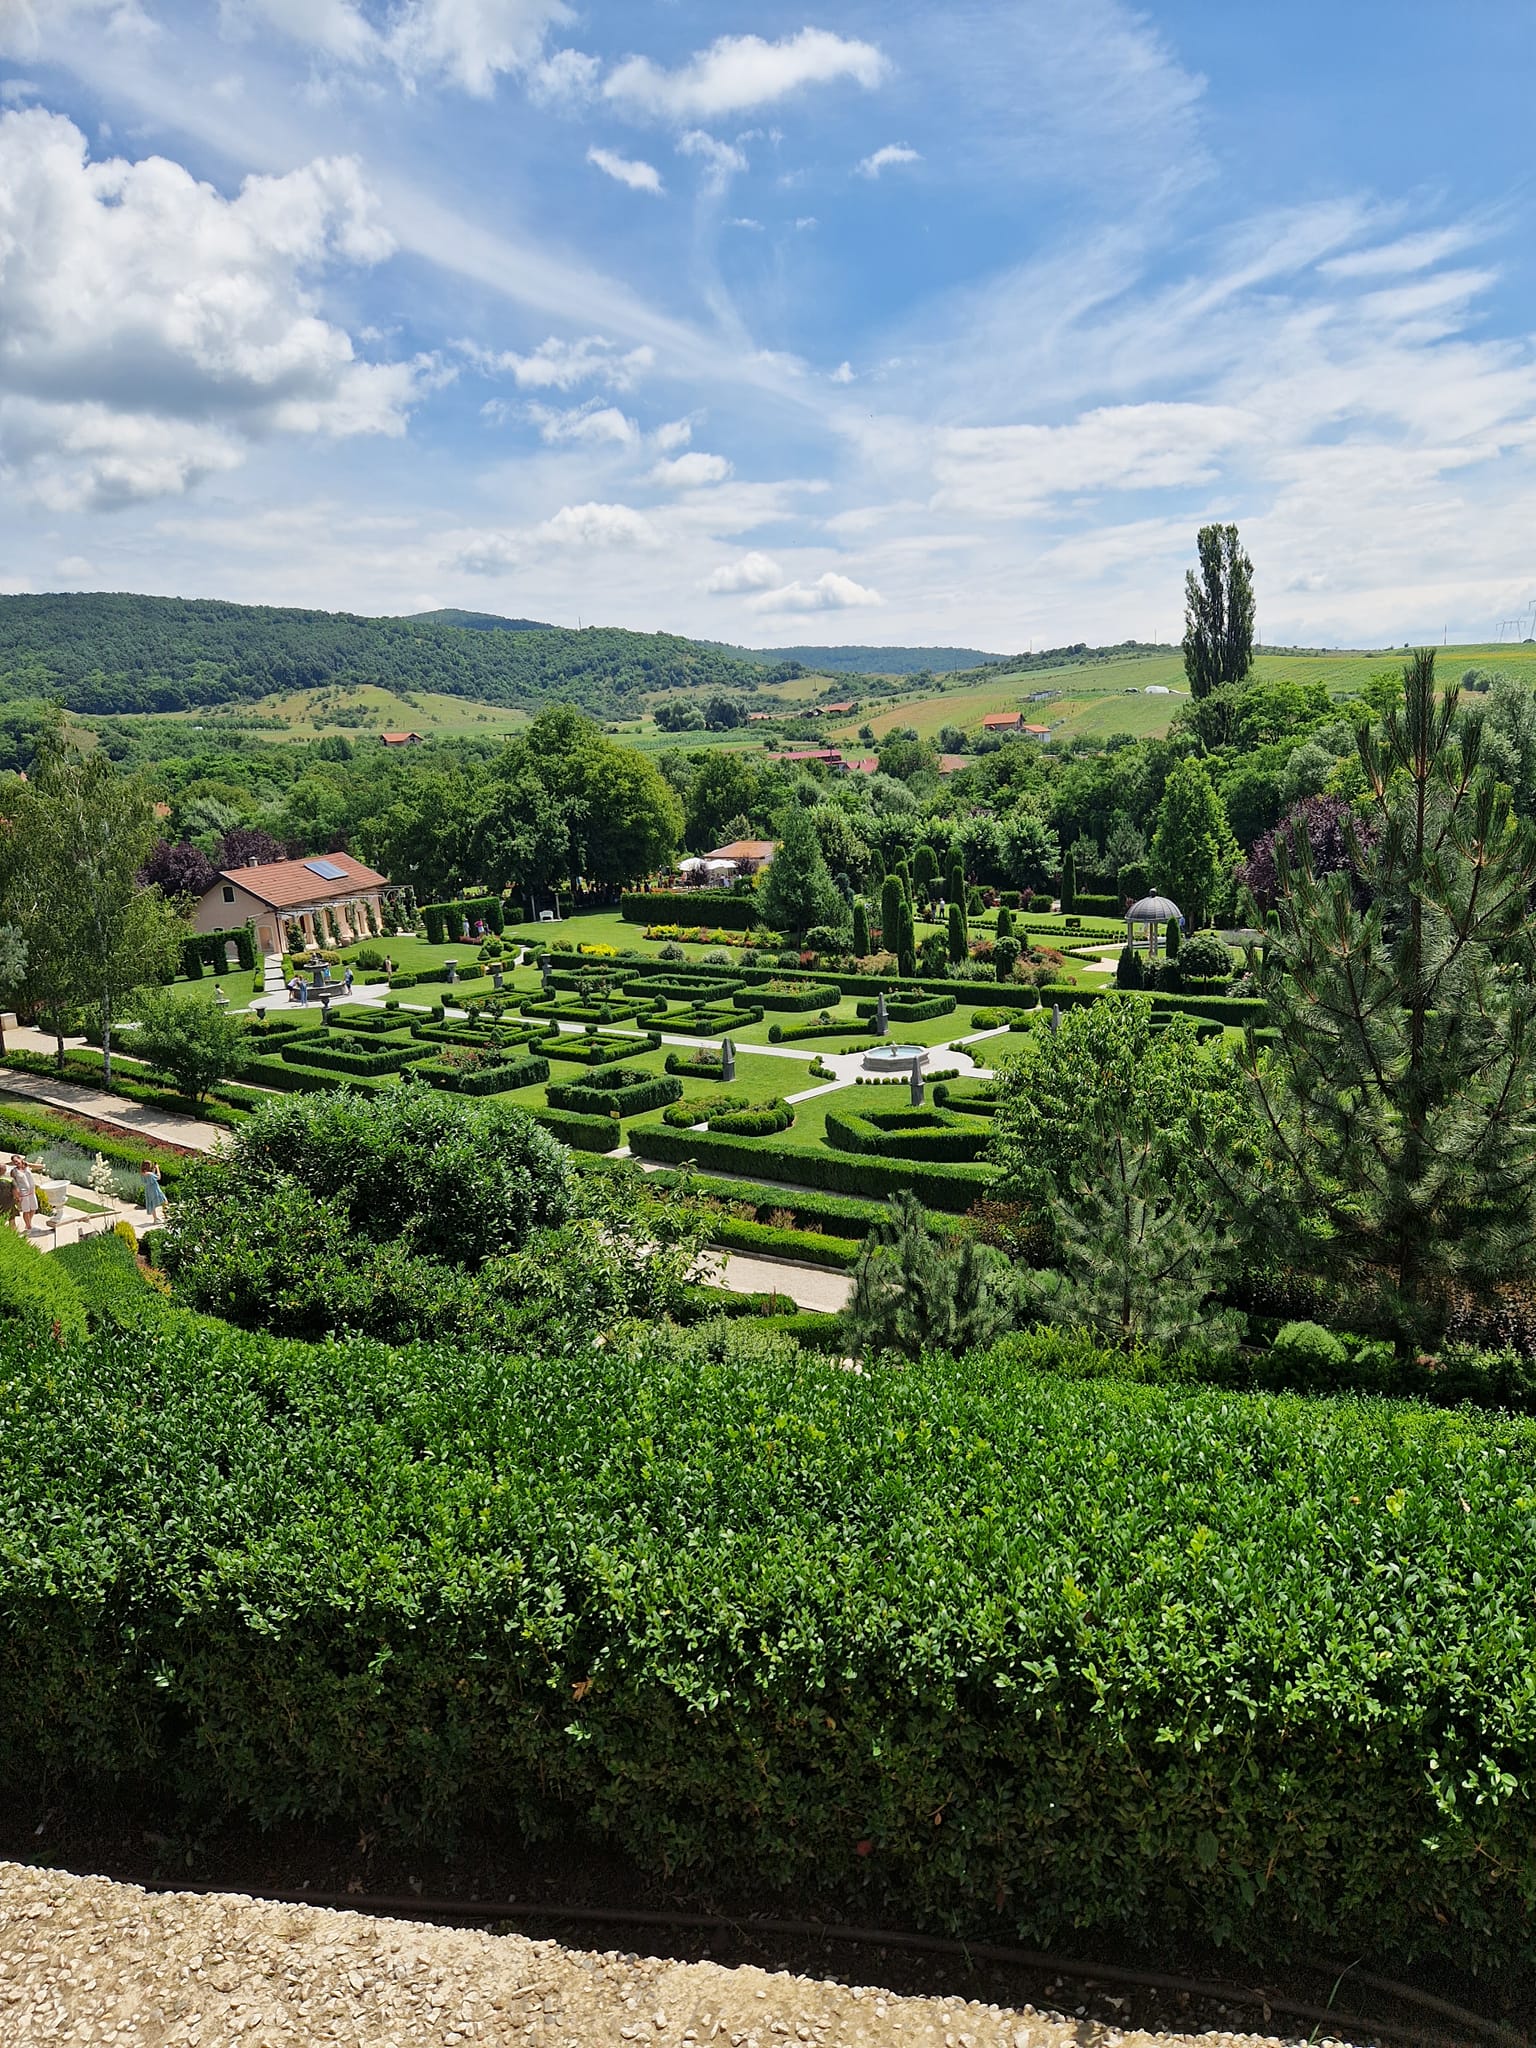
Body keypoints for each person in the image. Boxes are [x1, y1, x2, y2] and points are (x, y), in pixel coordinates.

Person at [9, 1155, 37, 1234]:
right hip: (23, 1193)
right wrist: (17, 1195)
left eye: (16, 1161)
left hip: (32, 1192)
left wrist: (28, 1164)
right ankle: (28, 1227)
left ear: (20, 1159)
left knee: (34, 1208)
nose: (16, 1163)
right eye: (14, 1162)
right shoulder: (14, 1171)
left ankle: (28, 1224)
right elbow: (13, 1183)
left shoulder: (27, 1167)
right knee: (26, 1210)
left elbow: (38, 1167)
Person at [140, 1160, 167, 1224]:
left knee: (152, 1204)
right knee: (164, 1200)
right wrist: (157, 1168)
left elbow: (152, 1176)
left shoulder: (143, 1173)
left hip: (148, 1189)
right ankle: (166, 1215)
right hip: (154, 1189)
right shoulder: (149, 1174)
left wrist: (154, 1170)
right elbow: (158, 1177)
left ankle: (155, 1219)